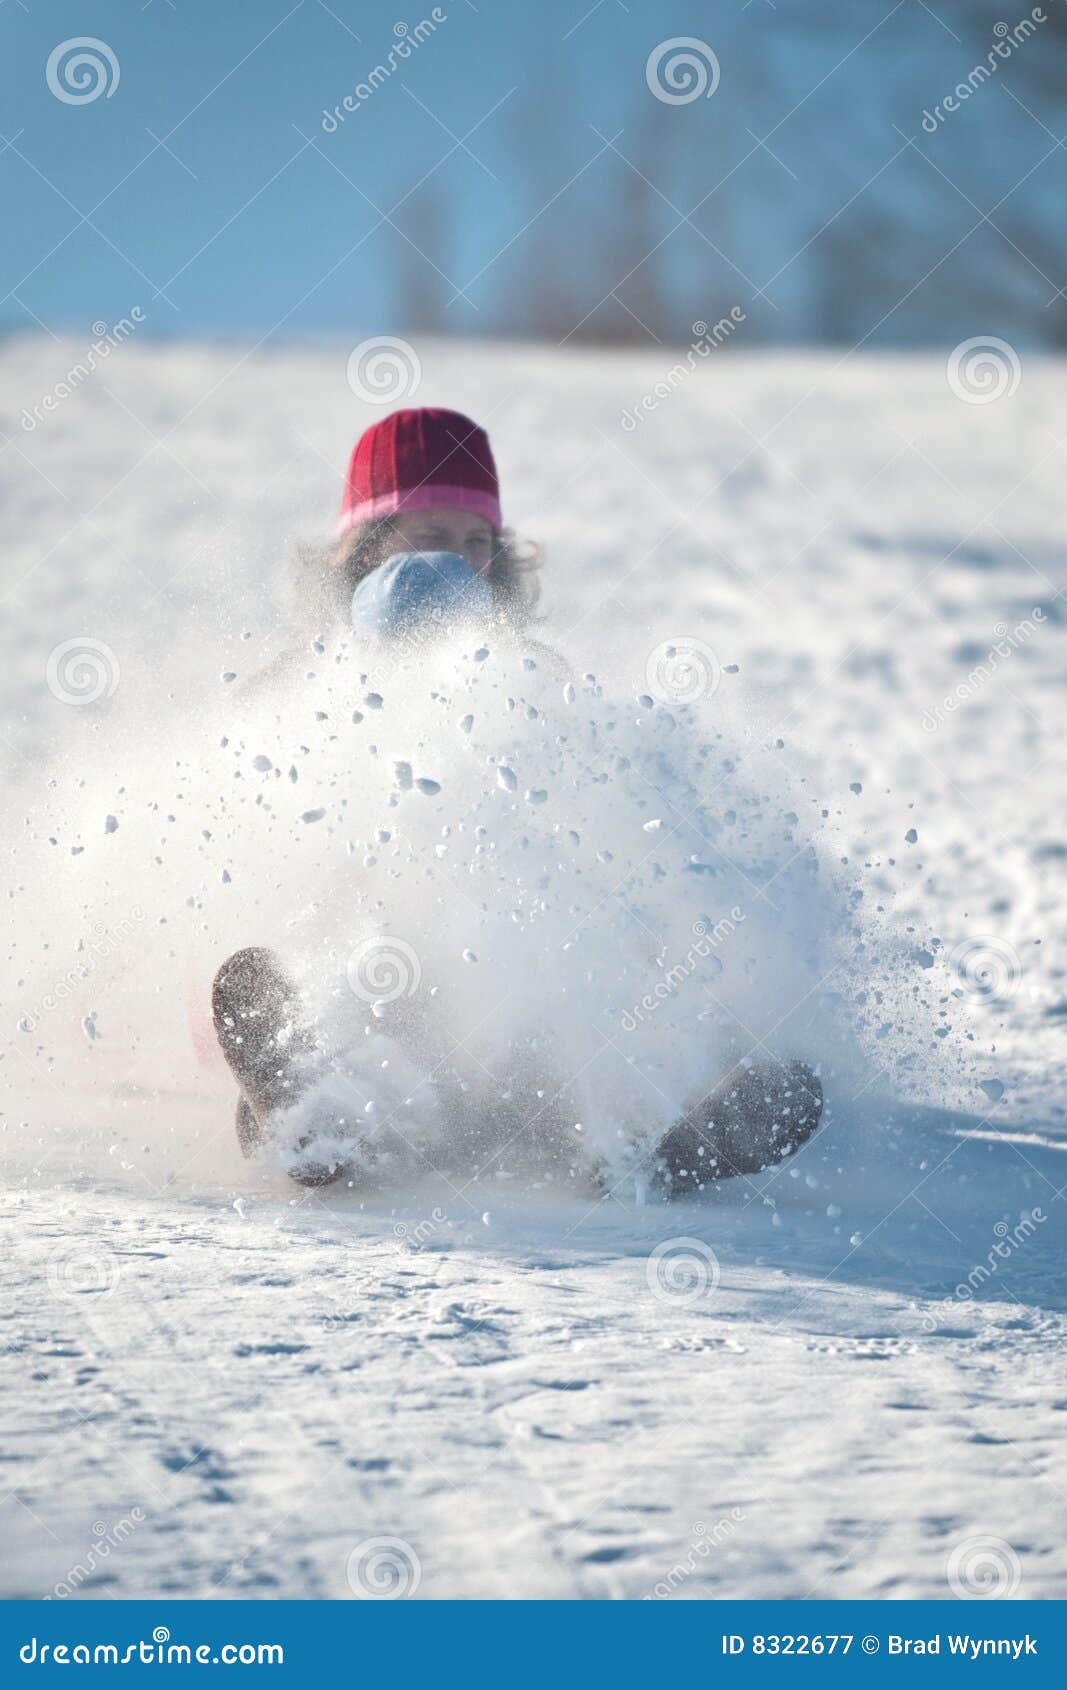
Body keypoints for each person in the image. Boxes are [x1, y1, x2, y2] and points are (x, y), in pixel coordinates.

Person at [213, 408, 823, 1189]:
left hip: (503, 1002)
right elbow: (247, 855)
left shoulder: (528, 673)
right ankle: (305, 1107)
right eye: (428, 538)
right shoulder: (294, 686)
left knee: (590, 969)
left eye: (476, 542)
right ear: (364, 550)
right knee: (320, 980)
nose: (458, 562)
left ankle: (656, 1128)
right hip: (371, 987)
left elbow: (588, 832)